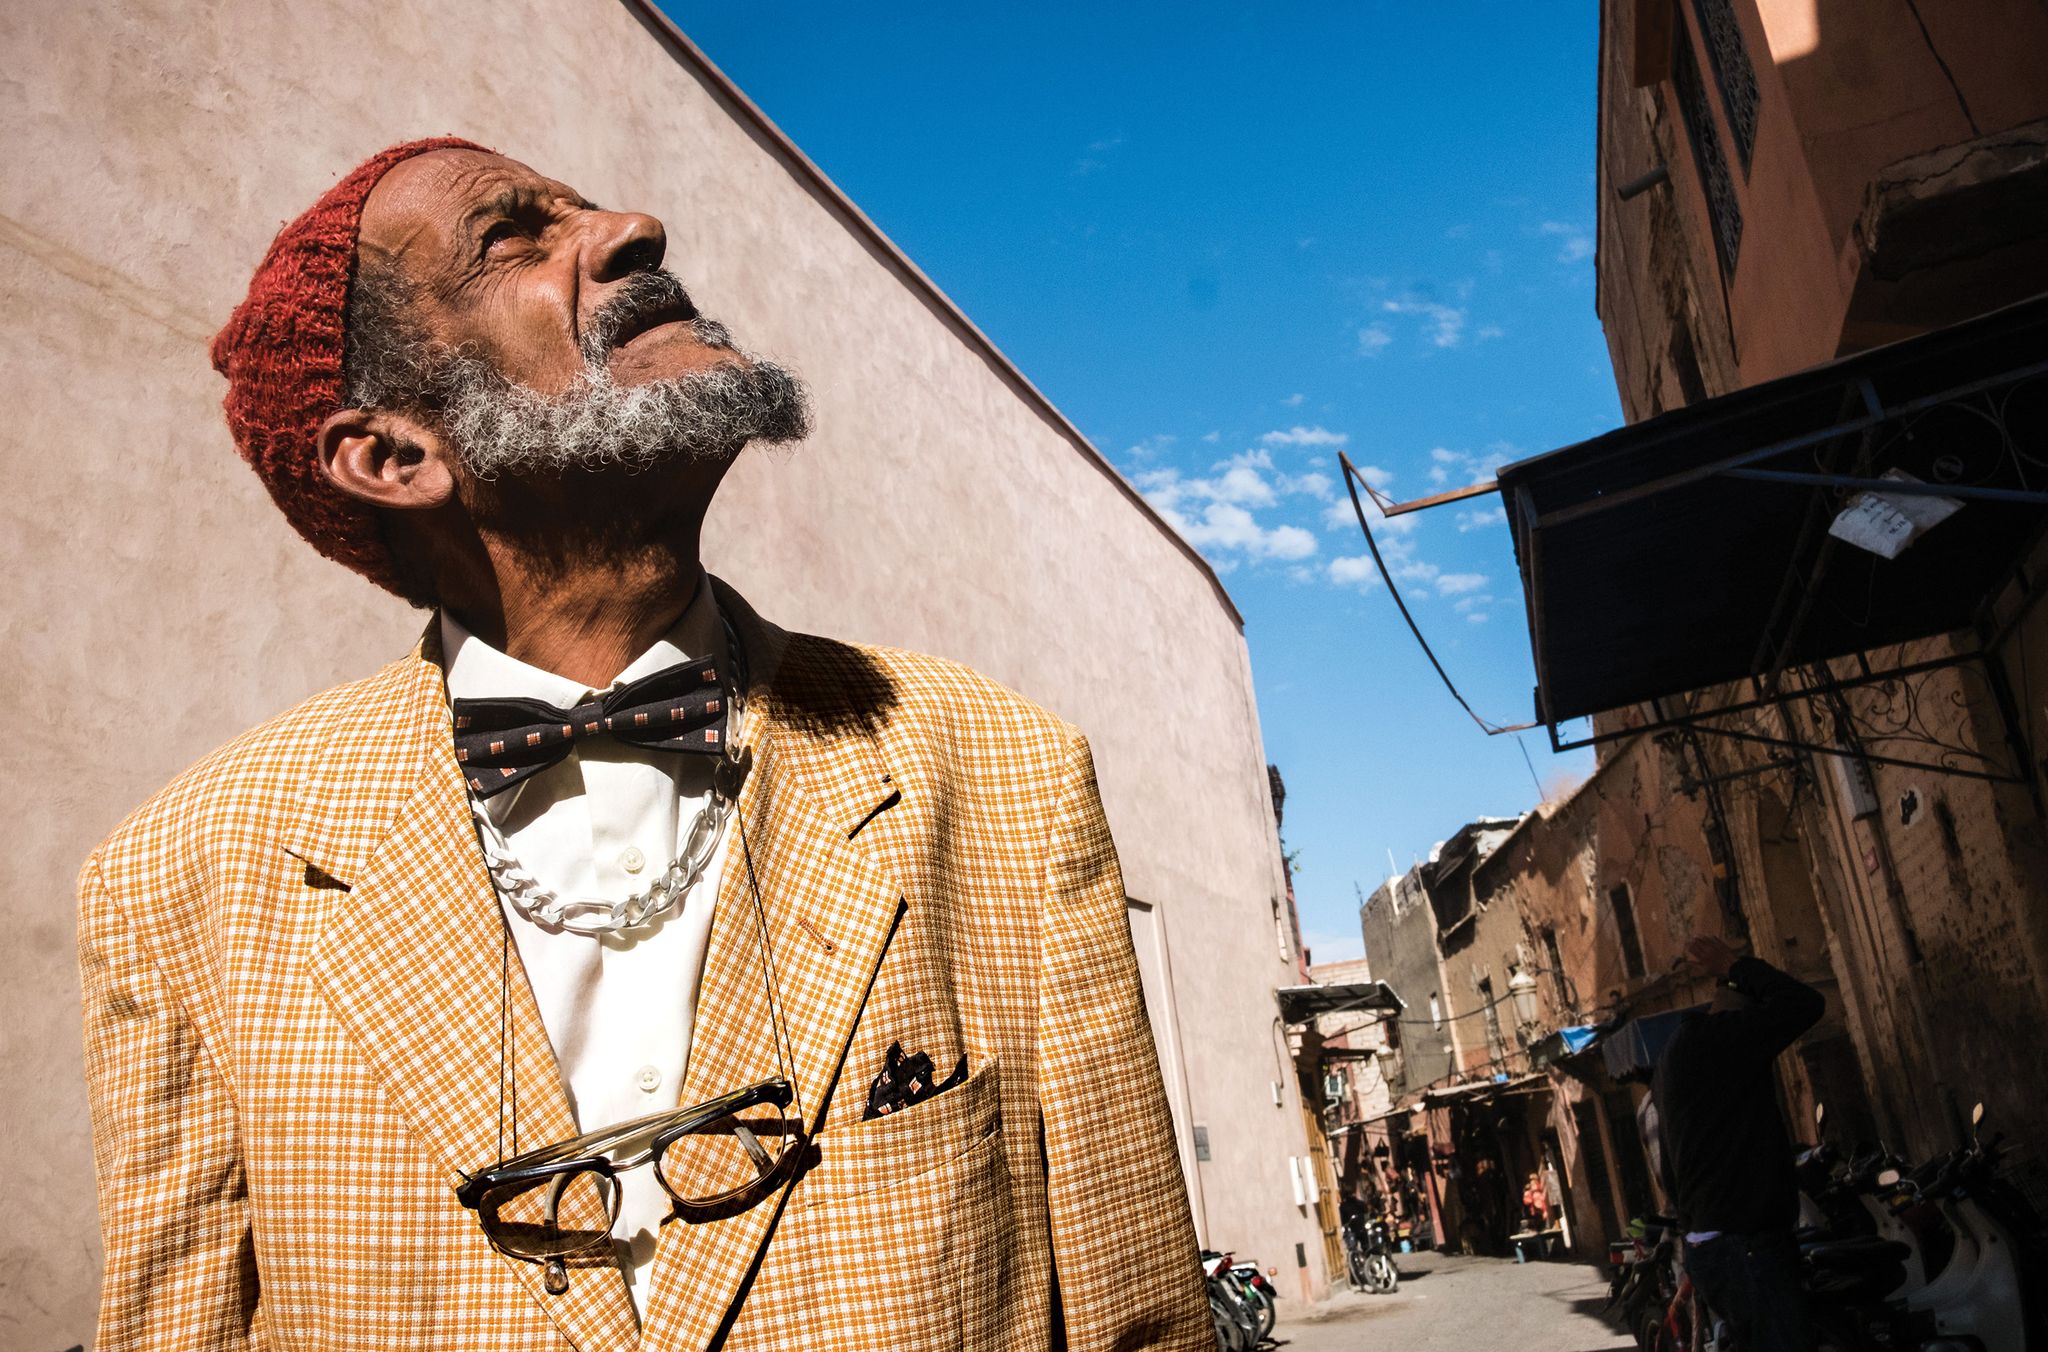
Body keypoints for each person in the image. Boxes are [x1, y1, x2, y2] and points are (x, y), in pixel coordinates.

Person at [78, 139, 1209, 1352]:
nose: (633, 228)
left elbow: (1138, 1312)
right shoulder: (179, 876)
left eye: (588, 207)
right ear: (394, 454)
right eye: (512, 237)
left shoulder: (1000, 772)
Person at [1652, 936, 1825, 1352]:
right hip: (1743, 1247)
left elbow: (1668, 1167)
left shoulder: (1675, 1057)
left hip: (1713, 1244)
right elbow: (1805, 1004)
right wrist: (1734, 965)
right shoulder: (1725, 1043)